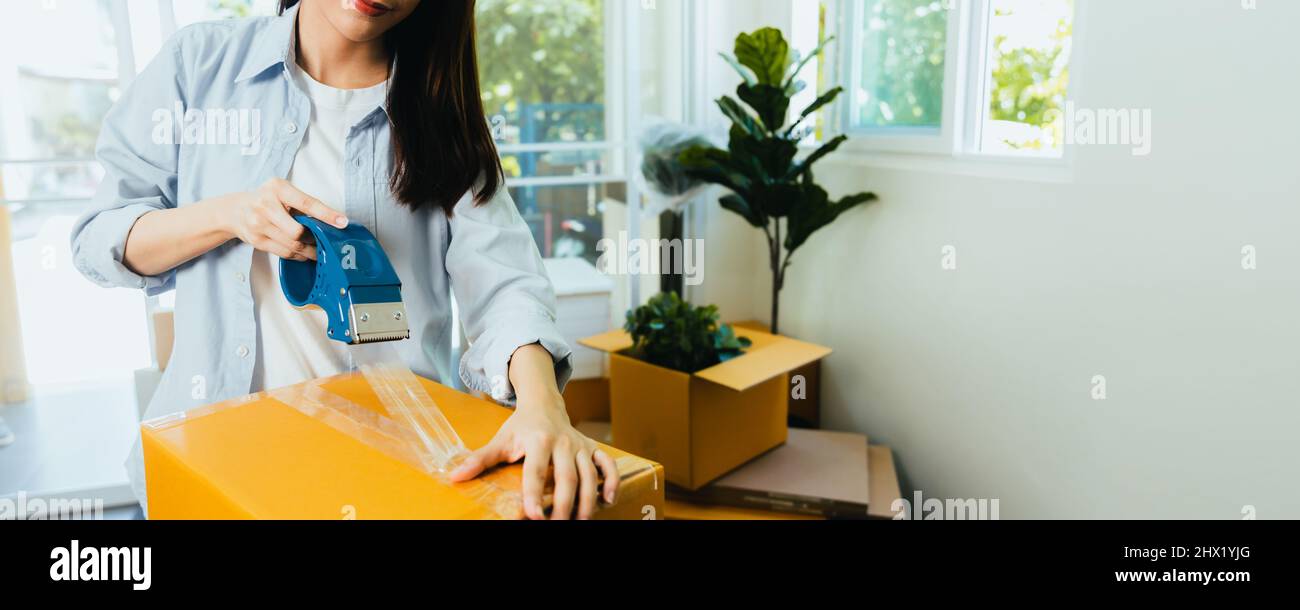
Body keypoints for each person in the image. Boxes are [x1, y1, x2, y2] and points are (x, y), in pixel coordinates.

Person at [71, 0, 617, 519]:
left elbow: (506, 286)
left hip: (386, 476)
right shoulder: (199, 66)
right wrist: (230, 216)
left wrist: (543, 405)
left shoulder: (441, 115)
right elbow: (100, 238)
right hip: (209, 468)